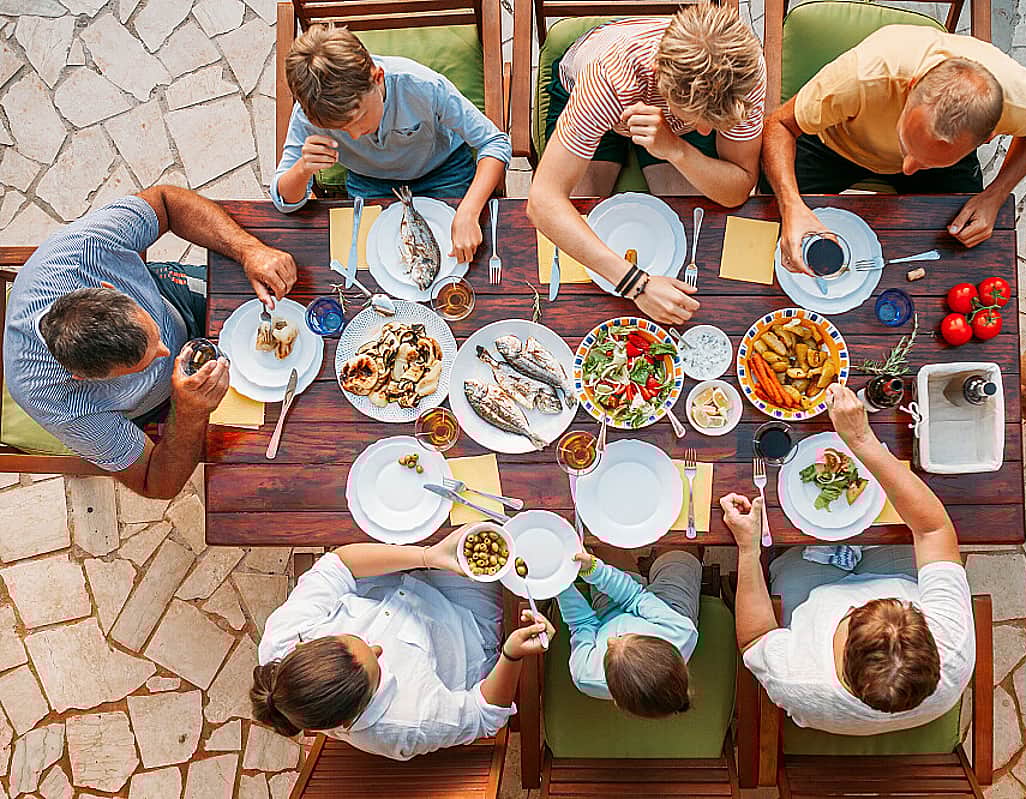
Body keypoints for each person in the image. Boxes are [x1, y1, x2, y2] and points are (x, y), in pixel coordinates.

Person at [3, 188, 296, 499]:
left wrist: (249, 250)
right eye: (144, 363)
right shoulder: (57, 401)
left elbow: (167, 202)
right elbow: (156, 484)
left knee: (290, 294)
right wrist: (187, 413)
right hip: (166, 405)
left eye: (154, 334)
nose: (168, 352)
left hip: (178, 301)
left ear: (109, 288)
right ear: (82, 378)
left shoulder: (84, 250)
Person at [726, 383, 974, 734]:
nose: (862, 600)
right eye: (909, 607)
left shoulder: (798, 679)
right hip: (894, 569)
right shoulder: (952, 638)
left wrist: (749, 549)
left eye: (853, 613)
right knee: (903, 537)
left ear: (842, 658)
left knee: (786, 560)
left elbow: (754, 639)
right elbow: (933, 531)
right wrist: (861, 440)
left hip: (814, 587)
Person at [527, 4, 766, 325]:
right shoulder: (609, 77)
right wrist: (636, 286)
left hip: (669, 127)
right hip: (589, 94)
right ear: (659, 82)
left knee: (691, 225)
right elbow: (543, 203)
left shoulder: (744, 75)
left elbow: (738, 188)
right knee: (582, 222)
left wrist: (677, 149)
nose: (709, 132)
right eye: (701, 120)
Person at [762, 25, 1026, 267]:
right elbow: (778, 124)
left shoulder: (1022, 100)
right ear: (911, 87)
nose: (906, 169)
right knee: (770, 220)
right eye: (906, 144)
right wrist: (791, 205)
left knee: (962, 253)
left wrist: (995, 196)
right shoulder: (863, 75)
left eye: (926, 160)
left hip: (948, 170)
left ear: (988, 138)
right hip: (837, 145)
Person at [252, 533, 554, 759]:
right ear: (354, 714)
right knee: (516, 541)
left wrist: (428, 557)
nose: (378, 649)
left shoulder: (284, 640)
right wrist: (511, 654)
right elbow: (485, 715)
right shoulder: (407, 724)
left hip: (392, 581)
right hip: (464, 622)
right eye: (377, 669)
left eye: (357, 640)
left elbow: (339, 565)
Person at [274, 25, 511, 264]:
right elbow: (284, 202)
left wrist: (469, 212)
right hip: (369, 182)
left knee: (460, 259)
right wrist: (302, 169)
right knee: (376, 263)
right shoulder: (310, 113)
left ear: (377, 77)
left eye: (359, 118)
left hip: (443, 171)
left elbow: (494, 142)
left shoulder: (422, 85)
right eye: (341, 129)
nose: (355, 136)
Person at [556, 546, 701, 717]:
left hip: (610, 614)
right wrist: (595, 571)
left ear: (615, 699)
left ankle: (644, 564)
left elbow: (582, 623)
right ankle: (660, 558)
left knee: (605, 541)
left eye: (608, 651)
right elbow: (634, 596)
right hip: (671, 608)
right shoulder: (682, 632)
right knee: (681, 547)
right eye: (625, 636)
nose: (610, 640)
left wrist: (559, 582)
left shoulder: (586, 675)